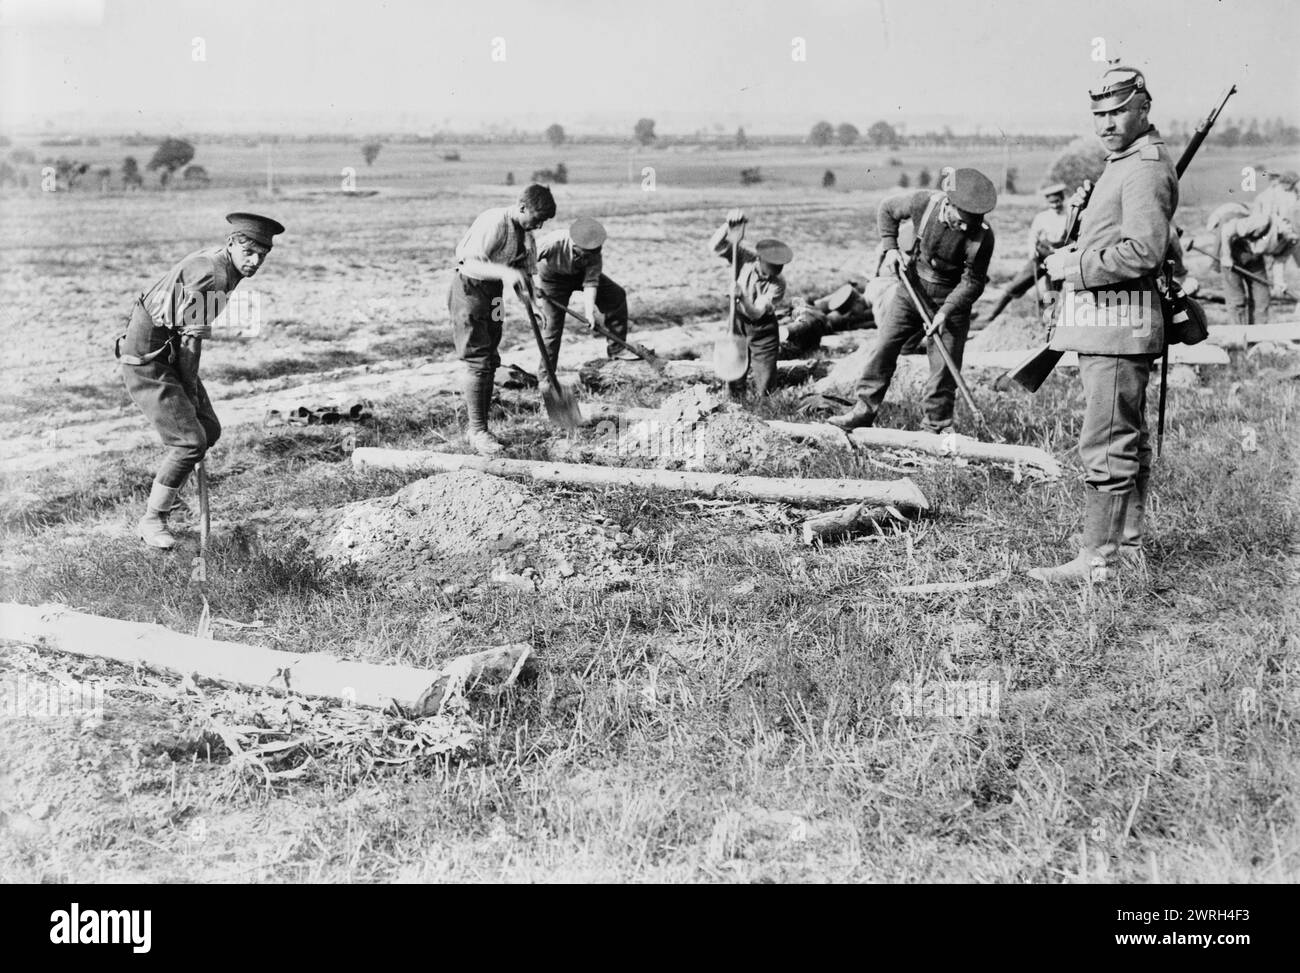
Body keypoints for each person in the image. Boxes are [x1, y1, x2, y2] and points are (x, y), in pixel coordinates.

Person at [1029, 65, 1178, 583]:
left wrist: (1075, 266)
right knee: (1126, 439)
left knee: (1106, 441)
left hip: (1119, 323)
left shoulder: (1143, 167)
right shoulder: (1126, 161)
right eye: (1099, 114)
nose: (1107, 123)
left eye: (1117, 111)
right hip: (1110, 320)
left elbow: (1144, 250)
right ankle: (1127, 549)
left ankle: (1098, 561)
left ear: (1144, 108)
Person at [118, 212, 284, 549]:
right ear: (231, 245)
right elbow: (191, 341)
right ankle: (153, 520)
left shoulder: (222, 264)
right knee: (189, 442)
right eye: (248, 253)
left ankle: (170, 491)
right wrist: (190, 388)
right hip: (149, 360)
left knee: (209, 428)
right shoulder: (213, 276)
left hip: (167, 350)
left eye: (261, 256)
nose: (254, 262)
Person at [828, 167, 997, 434]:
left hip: (951, 301)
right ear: (949, 203)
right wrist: (891, 248)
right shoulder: (924, 203)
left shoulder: (982, 237)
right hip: (911, 289)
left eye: (973, 221)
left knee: (944, 367)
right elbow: (886, 209)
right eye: (962, 219)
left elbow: (973, 282)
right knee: (883, 349)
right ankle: (862, 411)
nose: (966, 227)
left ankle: (936, 426)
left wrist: (946, 312)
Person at [448, 184, 556, 455]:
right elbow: (468, 262)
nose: (539, 226)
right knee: (478, 360)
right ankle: (477, 431)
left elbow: (525, 275)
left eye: (543, 222)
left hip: (494, 296)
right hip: (469, 290)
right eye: (537, 218)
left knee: (491, 360)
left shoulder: (526, 235)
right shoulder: (494, 220)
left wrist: (534, 304)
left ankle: (480, 428)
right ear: (522, 207)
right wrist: (505, 273)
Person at [534, 216, 633, 379]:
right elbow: (526, 263)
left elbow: (591, 283)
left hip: (580, 275)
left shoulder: (594, 253)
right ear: (575, 245)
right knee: (552, 327)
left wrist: (589, 314)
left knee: (616, 296)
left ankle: (617, 350)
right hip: (553, 279)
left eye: (594, 253)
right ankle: (546, 376)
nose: (590, 257)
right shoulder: (553, 241)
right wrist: (532, 288)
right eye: (586, 253)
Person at [709, 209, 792, 398]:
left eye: (778, 268)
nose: (773, 273)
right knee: (734, 365)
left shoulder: (778, 283)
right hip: (737, 321)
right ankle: (734, 404)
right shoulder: (746, 258)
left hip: (763, 329)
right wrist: (729, 226)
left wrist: (741, 297)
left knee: (766, 377)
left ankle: (766, 410)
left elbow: (756, 313)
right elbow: (715, 246)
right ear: (760, 259)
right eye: (769, 268)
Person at [1207, 202, 1272, 325]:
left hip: (1249, 253)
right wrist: (1224, 257)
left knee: (1261, 297)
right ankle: (1240, 335)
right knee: (1236, 300)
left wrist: (1218, 259)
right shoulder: (1223, 220)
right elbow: (1222, 234)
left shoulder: (1248, 220)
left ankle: (1259, 336)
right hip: (1232, 256)